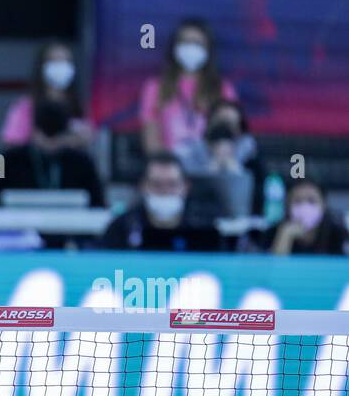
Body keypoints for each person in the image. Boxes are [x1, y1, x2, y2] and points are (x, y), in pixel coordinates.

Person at [139, 18, 237, 156]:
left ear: (208, 49)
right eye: (185, 41)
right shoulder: (155, 87)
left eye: (197, 43)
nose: (191, 47)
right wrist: (165, 167)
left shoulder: (223, 88)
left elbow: (228, 136)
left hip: (212, 168)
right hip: (171, 170)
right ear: (174, 47)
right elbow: (151, 139)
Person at [0, 100, 105, 209]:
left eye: (56, 138)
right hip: (14, 229)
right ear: (34, 131)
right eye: (46, 137)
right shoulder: (2, 159)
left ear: (67, 135)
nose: (50, 145)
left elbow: (98, 204)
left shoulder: (83, 162)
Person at [98, 153, 223, 252]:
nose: (165, 191)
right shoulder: (121, 229)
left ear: (185, 187)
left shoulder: (205, 230)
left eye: (172, 184)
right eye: (156, 185)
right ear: (143, 186)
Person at [0, 41, 93, 152]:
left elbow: (89, 135)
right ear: (42, 66)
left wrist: (61, 142)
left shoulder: (79, 107)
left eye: (66, 61)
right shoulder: (26, 107)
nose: (61, 67)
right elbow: (10, 142)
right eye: (55, 61)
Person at [259, 179, 349, 256]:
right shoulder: (272, 233)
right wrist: (285, 235)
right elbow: (273, 270)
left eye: (311, 201)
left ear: (324, 205)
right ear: (288, 206)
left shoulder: (338, 234)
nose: (305, 207)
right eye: (298, 201)